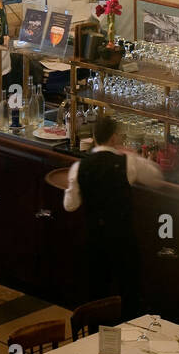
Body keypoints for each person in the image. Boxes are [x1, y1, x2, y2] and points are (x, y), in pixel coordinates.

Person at [63, 113, 164, 318]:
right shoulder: (128, 162)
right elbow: (156, 178)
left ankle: (95, 334)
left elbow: (70, 205)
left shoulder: (79, 167)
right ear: (113, 138)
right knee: (129, 289)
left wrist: (73, 186)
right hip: (123, 238)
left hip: (95, 238)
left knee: (97, 290)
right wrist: (132, 156)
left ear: (94, 136)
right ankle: (129, 328)